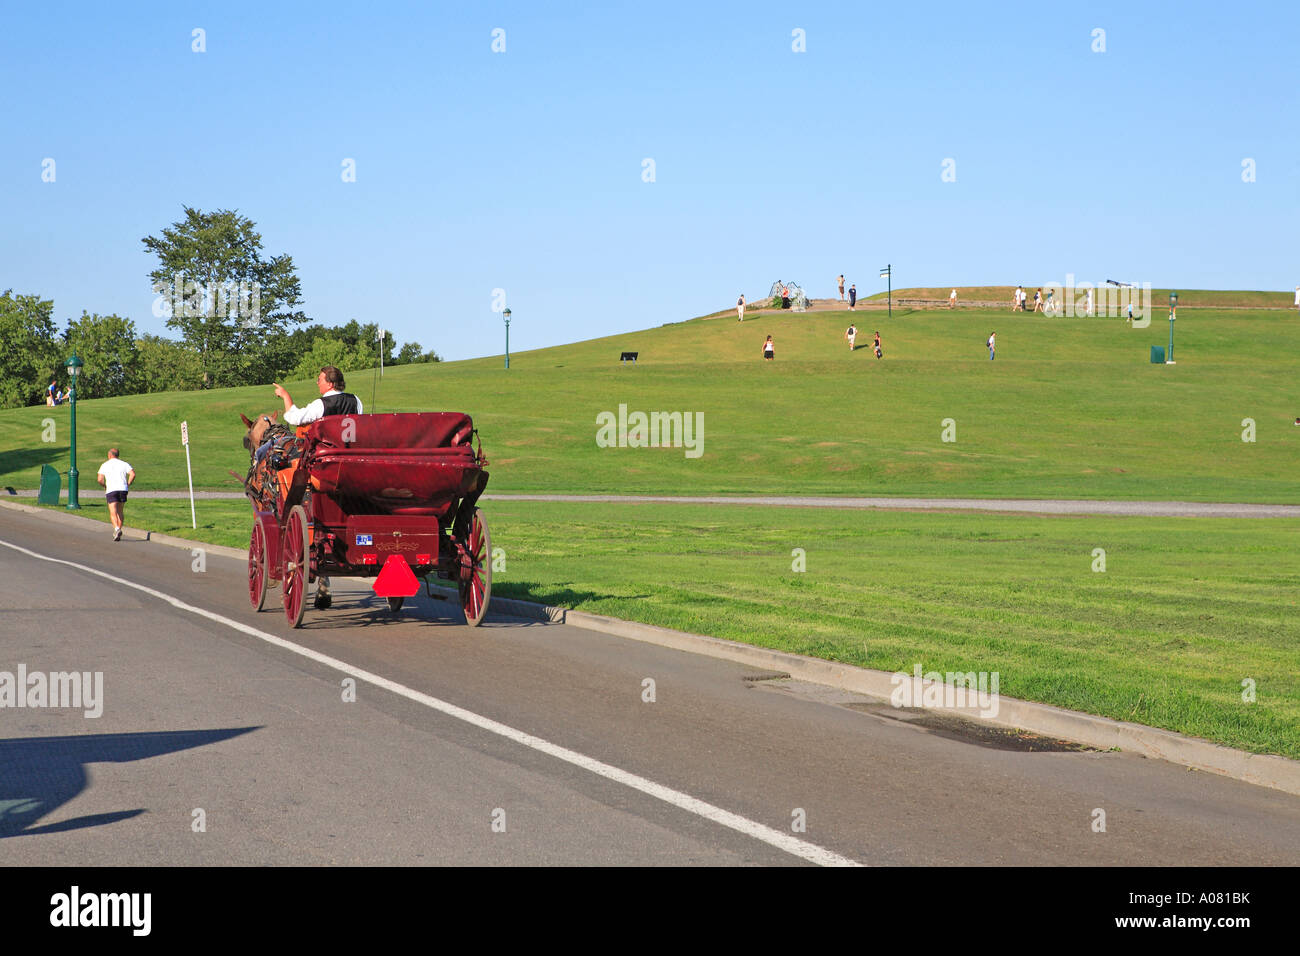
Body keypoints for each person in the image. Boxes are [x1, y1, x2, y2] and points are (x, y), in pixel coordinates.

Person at [273, 365, 363, 426]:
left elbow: (294, 418)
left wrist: (285, 396)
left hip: (327, 451)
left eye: (319, 380)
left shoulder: (321, 404)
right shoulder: (356, 400)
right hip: (351, 451)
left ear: (330, 384)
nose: (317, 383)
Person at [96, 448, 135, 542]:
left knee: (113, 511)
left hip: (111, 489)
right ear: (118, 455)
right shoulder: (124, 463)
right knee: (120, 511)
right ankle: (118, 531)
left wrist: (104, 485)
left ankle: (117, 529)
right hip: (123, 489)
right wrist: (128, 484)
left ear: (109, 455)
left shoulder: (105, 465)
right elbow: (132, 474)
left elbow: (100, 479)